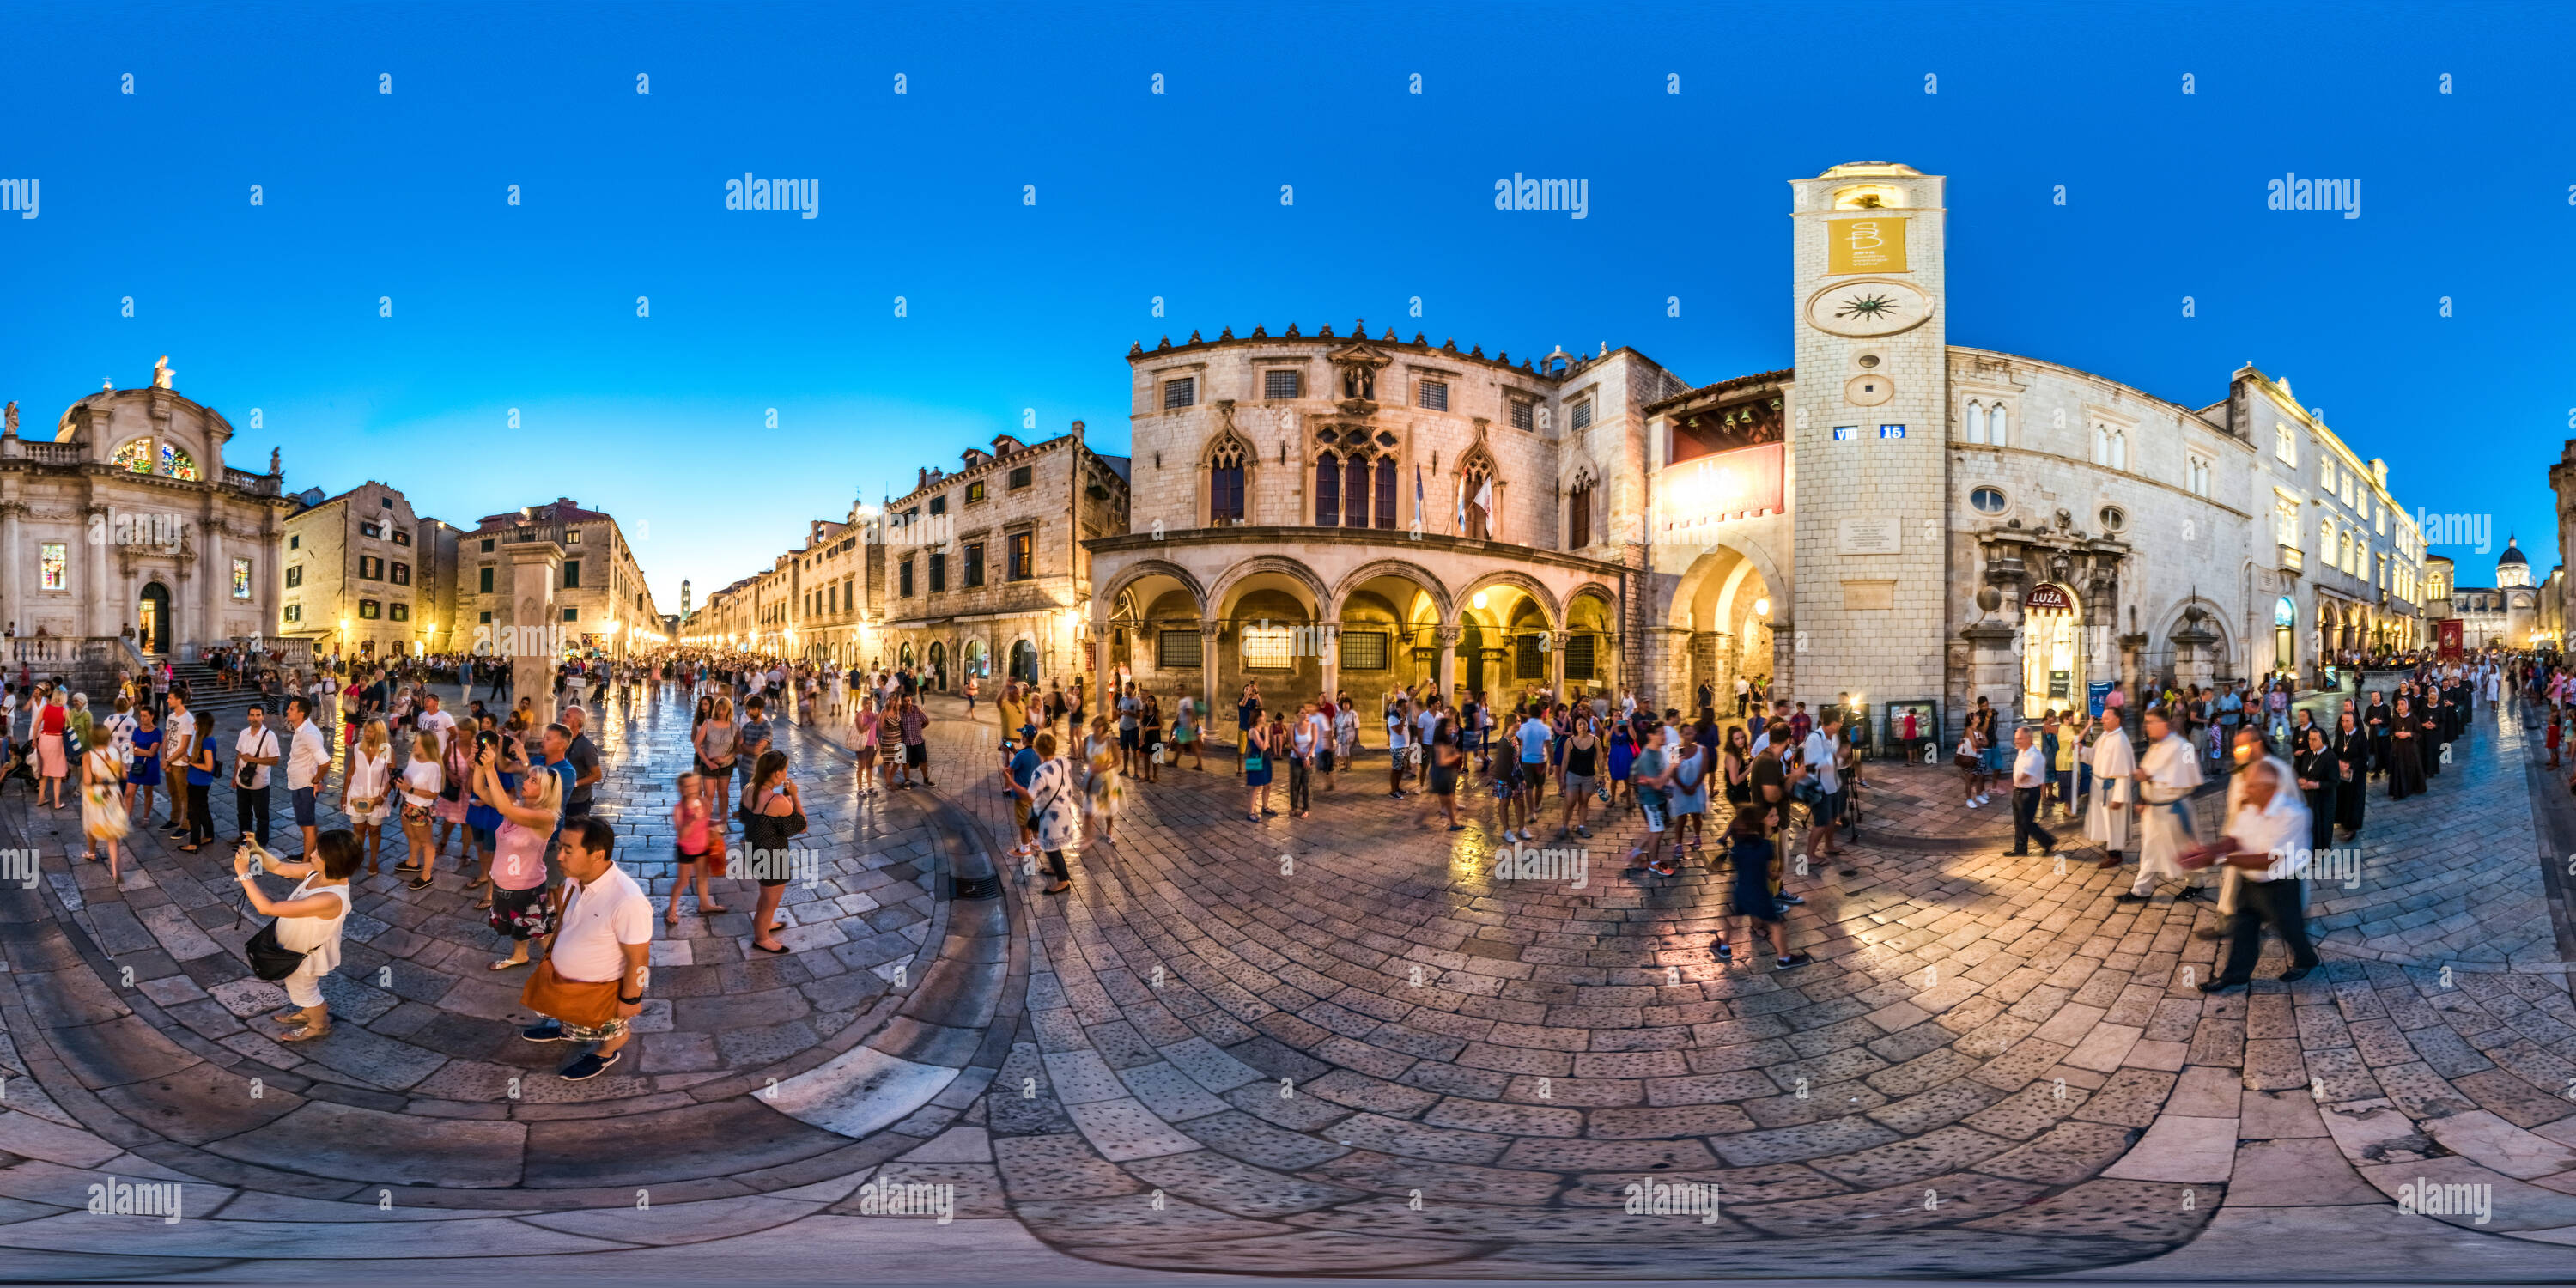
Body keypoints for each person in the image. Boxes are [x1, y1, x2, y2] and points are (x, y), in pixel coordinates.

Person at [519, 818, 653, 1080]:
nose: (559, 856)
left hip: (597, 992)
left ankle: (606, 1053)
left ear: (598, 855)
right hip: (564, 982)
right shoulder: (574, 879)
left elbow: (639, 959)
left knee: (613, 1031)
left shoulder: (628, 901)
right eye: (559, 847)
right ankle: (565, 1028)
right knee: (564, 1010)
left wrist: (631, 999)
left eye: (568, 850)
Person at [2197, 759, 2320, 993]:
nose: (2245, 790)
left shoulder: (2294, 815)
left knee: (2290, 929)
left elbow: (2270, 859)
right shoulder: (2249, 808)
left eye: (2251, 786)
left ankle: (2307, 959)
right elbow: (2234, 838)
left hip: (2281, 886)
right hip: (2250, 883)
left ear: (2268, 788)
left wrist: (2221, 859)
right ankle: (2235, 975)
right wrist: (2210, 851)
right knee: (2244, 927)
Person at [233, 829, 359, 1041]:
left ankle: (319, 1024)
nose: (312, 855)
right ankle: (307, 1013)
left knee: (305, 991)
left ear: (333, 861)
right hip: (294, 945)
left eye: (319, 853)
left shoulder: (330, 899)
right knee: (301, 987)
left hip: (303, 955)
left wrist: (244, 874)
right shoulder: (319, 872)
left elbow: (267, 908)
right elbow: (279, 867)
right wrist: (257, 849)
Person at [477, 742, 562, 969]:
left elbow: (504, 809)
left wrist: (489, 769)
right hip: (506, 885)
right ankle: (519, 956)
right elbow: (481, 791)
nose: (525, 782)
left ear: (545, 790)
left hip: (527, 887)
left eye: (533, 781)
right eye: (528, 778)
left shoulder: (545, 817)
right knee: (519, 927)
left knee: (538, 931)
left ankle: (562, 967)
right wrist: (478, 763)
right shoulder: (518, 806)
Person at [2119, 708, 2206, 903]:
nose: (2146, 726)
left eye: (2150, 722)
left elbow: (2190, 780)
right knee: (2150, 849)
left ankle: (2196, 883)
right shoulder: (2155, 747)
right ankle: (2141, 890)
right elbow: (2147, 774)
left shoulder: (2184, 747)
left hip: (2174, 812)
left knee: (2183, 850)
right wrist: (2144, 799)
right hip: (2154, 811)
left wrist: (2151, 778)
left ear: (2163, 723)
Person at [1710, 804, 1810, 970]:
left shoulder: (1738, 848)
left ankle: (1725, 947)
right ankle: (1784, 958)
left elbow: (1731, 866)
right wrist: (1777, 875)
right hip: (1760, 893)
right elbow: (1771, 873)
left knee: (1733, 919)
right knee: (1776, 924)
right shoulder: (1765, 846)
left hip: (1742, 891)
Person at [742, 750, 802, 954]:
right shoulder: (776, 801)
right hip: (772, 856)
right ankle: (761, 938)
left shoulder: (749, 788)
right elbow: (800, 825)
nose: (785, 774)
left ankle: (765, 924)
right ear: (776, 774)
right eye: (784, 770)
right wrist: (793, 796)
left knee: (765, 894)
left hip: (754, 850)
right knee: (771, 900)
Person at [1012, 732, 1080, 895]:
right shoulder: (1063, 762)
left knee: (1052, 847)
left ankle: (1063, 881)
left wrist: (1010, 783)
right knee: (1053, 844)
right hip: (1063, 811)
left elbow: (1029, 796)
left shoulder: (1040, 773)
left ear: (1036, 750)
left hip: (1050, 816)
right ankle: (1054, 868)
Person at [341, 718, 395, 874]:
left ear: (379, 733)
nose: (366, 734)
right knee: (358, 828)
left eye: (370, 731)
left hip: (377, 798)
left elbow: (393, 777)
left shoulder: (386, 750)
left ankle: (373, 860)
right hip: (358, 795)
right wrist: (344, 795)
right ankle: (358, 857)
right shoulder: (358, 747)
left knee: (374, 829)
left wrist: (383, 796)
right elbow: (351, 773)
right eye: (365, 730)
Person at [2084, 708, 2135, 868]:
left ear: (2117, 720)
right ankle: (2108, 848)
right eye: (2103, 718)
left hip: (2112, 790)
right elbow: (2094, 755)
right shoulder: (2106, 736)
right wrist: (2081, 751)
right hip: (2100, 787)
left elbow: (2124, 773)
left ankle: (2115, 854)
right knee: (2104, 821)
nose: (2103, 721)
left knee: (2114, 823)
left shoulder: (2120, 741)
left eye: (2106, 718)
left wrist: (2120, 797)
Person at [283, 696, 331, 861]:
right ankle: (312, 853)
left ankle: (306, 861)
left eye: (291, 709)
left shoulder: (308, 734)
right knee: (305, 822)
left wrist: (316, 781)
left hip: (305, 785)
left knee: (307, 824)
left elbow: (325, 762)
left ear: (301, 713)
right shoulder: (303, 730)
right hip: (299, 784)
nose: (287, 710)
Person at [396, 729, 445, 890]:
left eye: (418, 743)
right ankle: (412, 862)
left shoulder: (434, 767)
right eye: (415, 741)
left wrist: (410, 789)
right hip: (407, 804)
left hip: (421, 808)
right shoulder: (413, 758)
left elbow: (434, 793)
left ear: (428, 746)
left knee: (426, 842)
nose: (414, 744)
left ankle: (426, 875)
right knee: (410, 835)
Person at [234, 704, 281, 848]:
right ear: (248, 717)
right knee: (243, 812)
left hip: (259, 783)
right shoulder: (243, 733)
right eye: (252, 715)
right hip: (242, 781)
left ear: (263, 717)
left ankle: (261, 842)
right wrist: (234, 776)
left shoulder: (270, 736)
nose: (255, 718)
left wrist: (253, 760)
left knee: (261, 815)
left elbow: (275, 760)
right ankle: (245, 838)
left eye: (258, 715)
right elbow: (239, 755)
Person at [2006, 726, 2056, 858]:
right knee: (2019, 822)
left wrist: (2004, 785)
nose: (2016, 741)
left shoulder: (2035, 756)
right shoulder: (2022, 750)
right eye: (2016, 738)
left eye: (2020, 739)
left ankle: (2048, 841)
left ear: (2029, 738)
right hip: (2018, 791)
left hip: (2029, 793)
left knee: (2026, 823)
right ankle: (2020, 848)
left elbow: (2024, 776)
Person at [2294, 725, 2339, 855]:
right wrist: (2300, 780)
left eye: (2314, 739)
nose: (2310, 742)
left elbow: (2334, 781)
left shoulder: (2330, 757)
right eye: (2309, 739)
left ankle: (2322, 851)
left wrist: (2317, 785)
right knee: (2311, 825)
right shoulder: (2307, 754)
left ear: (2322, 740)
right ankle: (2311, 849)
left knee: (2323, 825)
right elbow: (2298, 771)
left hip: (2324, 799)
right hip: (2309, 798)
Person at [179, 711, 219, 852]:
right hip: (199, 781)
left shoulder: (207, 742)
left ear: (201, 725)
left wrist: (190, 761)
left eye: (196, 723)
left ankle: (194, 843)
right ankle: (209, 835)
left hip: (199, 783)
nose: (193, 724)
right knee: (203, 809)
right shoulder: (204, 739)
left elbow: (209, 767)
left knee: (194, 812)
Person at [695, 696, 738, 820]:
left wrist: (725, 759)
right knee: (709, 794)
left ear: (729, 710)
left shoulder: (734, 727)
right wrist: (708, 763)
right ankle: (706, 820)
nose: (721, 712)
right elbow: (697, 745)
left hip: (726, 765)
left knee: (723, 793)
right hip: (708, 763)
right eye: (718, 709)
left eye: (723, 709)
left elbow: (738, 748)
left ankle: (723, 819)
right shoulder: (708, 723)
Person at [1558, 715, 1599, 840]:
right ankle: (1564, 826)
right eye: (1579, 724)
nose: (1582, 726)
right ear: (1575, 727)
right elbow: (1565, 761)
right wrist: (1562, 778)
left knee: (1584, 802)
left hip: (1588, 775)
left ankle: (1582, 827)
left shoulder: (1595, 740)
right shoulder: (1570, 742)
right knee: (1570, 802)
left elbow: (1600, 759)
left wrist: (1601, 775)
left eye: (1584, 724)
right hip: (1572, 775)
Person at [124, 706, 163, 829]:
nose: (142, 718)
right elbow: (130, 750)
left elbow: (152, 753)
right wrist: (140, 751)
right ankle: (127, 818)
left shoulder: (157, 733)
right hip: (136, 765)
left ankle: (146, 817)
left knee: (148, 792)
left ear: (152, 716)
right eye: (141, 715)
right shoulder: (137, 730)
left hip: (150, 766)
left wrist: (137, 750)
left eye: (145, 716)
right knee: (129, 792)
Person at [2387, 696, 2426, 799]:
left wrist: (2409, 734)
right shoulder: (2395, 718)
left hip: (2410, 748)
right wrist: (2396, 734)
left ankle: (2411, 787)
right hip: (2398, 747)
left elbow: (2419, 733)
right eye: (2398, 704)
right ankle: (2400, 790)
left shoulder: (2413, 718)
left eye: (2402, 704)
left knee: (2411, 767)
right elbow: (2390, 731)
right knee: (2399, 768)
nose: (2399, 706)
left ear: (2407, 706)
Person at [1243, 709, 1276, 821]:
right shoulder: (1253, 731)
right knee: (1255, 787)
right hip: (1256, 760)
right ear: (1257, 718)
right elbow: (1263, 746)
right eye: (1263, 715)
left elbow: (1267, 746)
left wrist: (1266, 739)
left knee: (1268, 784)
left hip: (1265, 760)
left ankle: (1265, 807)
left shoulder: (1261, 729)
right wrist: (1267, 734)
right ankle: (1251, 812)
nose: (1265, 717)